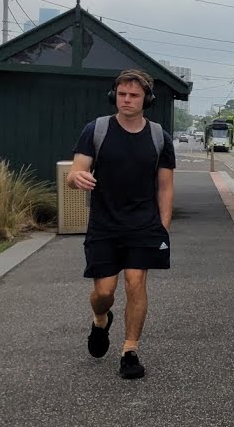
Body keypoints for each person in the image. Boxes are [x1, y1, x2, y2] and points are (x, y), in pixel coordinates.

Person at [67, 69, 176, 379]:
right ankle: (100, 320)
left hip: (143, 224)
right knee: (104, 292)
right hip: (104, 224)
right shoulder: (96, 130)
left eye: (134, 95)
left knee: (135, 282)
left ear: (147, 100)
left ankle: (130, 350)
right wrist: (76, 178)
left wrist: (163, 226)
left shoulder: (159, 137)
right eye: (122, 94)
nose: (126, 100)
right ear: (114, 95)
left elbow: (165, 187)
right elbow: (74, 173)